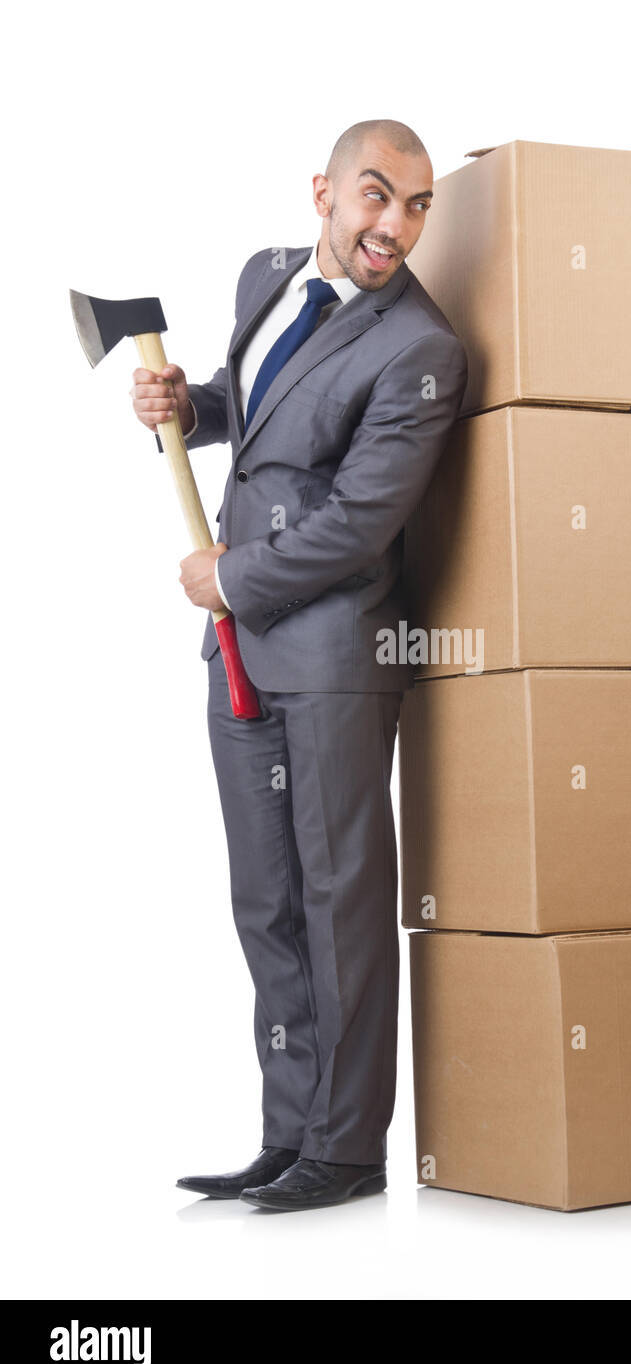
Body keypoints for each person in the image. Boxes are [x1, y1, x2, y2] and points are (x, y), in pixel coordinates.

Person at [130, 118, 468, 1211]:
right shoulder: (266, 278)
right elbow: (262, 409)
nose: (396, 227)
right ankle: (289, 1130)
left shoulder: (422, 349)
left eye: (417, 206)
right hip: (238, 655)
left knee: (341, 898)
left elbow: (362, 522)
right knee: (266, 899)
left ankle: (349, 1148)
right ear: (322, 191)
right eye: (378, 196)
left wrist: (232, 578)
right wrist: (189, 407)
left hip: (332, 655)